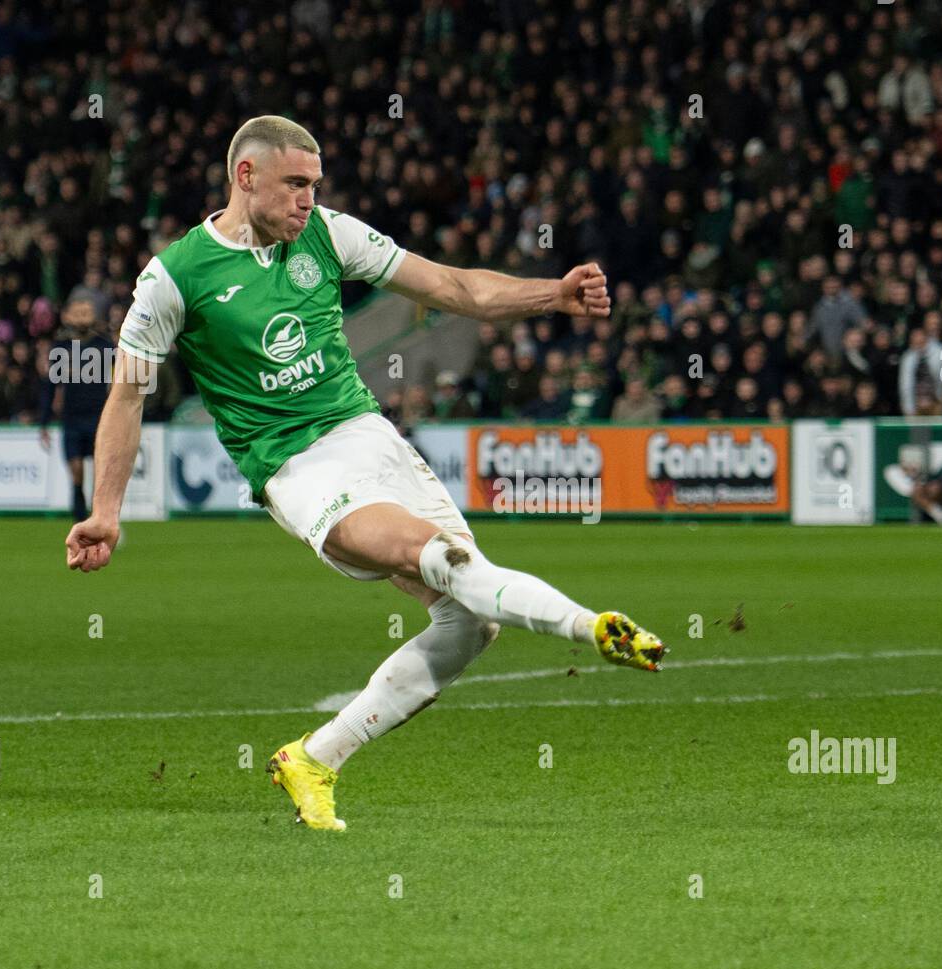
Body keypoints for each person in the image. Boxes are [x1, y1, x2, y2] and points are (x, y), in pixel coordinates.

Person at [63, 116, 667, 831]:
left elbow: (452, 288)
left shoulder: (329, 234)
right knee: (442, 558)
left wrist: (554, 294)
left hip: (371, 438)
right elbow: (127, 392)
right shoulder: (175, 278)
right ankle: (591, 625)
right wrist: (106, 510)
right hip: (298, 469)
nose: (308, 201)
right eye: (295, 184)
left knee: (470, 625)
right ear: (245, 177)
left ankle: (314, 758)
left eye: (315, 185)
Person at [39, 299, 113, 521]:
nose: (82, 317)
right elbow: (50, 388)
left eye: (87, 312)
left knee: (101, 475)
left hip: (99, 418)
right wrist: (43, 422)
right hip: (71, 419)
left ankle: (100, 519)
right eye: (78, 313)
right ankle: (80, 521)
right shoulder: (61, 348)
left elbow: (119, 384)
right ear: (68, 317)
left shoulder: (105, 346)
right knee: (77, 472)